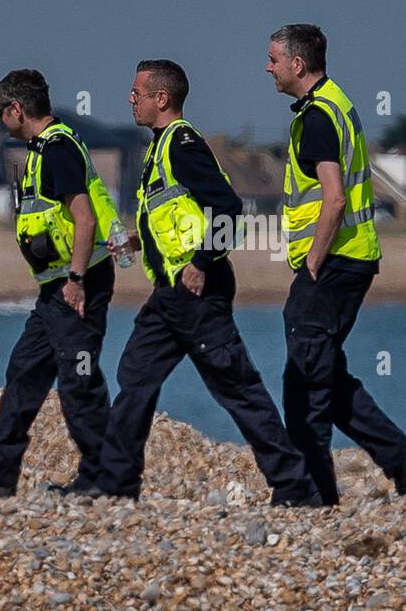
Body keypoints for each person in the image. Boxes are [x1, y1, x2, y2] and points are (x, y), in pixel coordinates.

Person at [95, 59, 321, 506]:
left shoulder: (181, 144)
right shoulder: (159, 148)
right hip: (170, 295)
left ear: (162, 99)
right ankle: (115, 484)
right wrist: (137, 242)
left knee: (238, 389)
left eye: (137, 92)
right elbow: (180, 217)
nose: (130, 99)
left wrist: (200, 262)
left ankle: (296, 487)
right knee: (135, 376)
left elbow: (228, 209)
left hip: (198, 292)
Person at [266, 24, 406, 505]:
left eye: (274, 58)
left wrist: (313, 263)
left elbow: (335, 199)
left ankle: (310, 494)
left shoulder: (320, 116)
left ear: (297, 64)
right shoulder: (333, 103)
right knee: (324, 372)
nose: (268, 67)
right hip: (351, 259)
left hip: (334, 262)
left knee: (306, 379)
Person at [0, 69, 119, 497]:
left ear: (16, 109)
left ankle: (106, 478)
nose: (0, 119)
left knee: (79, 379)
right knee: (24, 371)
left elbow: (85, 219)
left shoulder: (58, 149)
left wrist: (76, 280)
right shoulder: (43, 149)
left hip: (77, 284)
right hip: (55, 289)